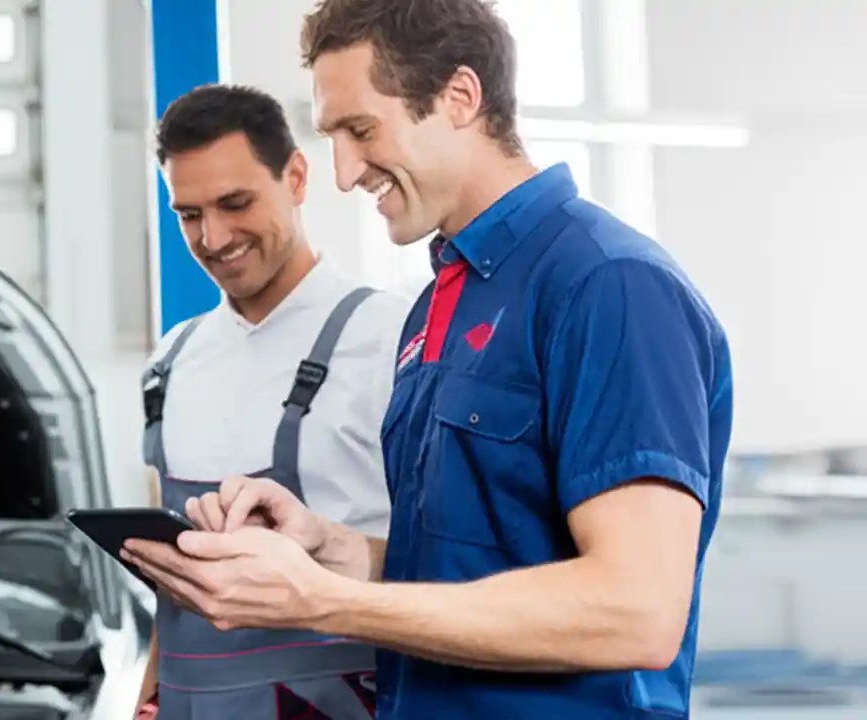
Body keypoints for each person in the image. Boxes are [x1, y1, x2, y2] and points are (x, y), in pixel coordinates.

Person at [121, 1, 734, 719]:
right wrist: (330, 550)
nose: (345, 173)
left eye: (360, 130)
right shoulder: (441, 305)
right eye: (333, 137)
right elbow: (469, 575)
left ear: (459, 97)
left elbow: (636, 610)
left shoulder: (610, 286)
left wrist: (327, 603)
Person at [132, 83, 411, 719]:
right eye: (189, 214)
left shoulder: (391, 340)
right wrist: (147, 699)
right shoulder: (169, 364)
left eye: (236, 203)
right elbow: (173, 597)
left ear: (296, 176)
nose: (214, 237)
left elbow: (448, 568)